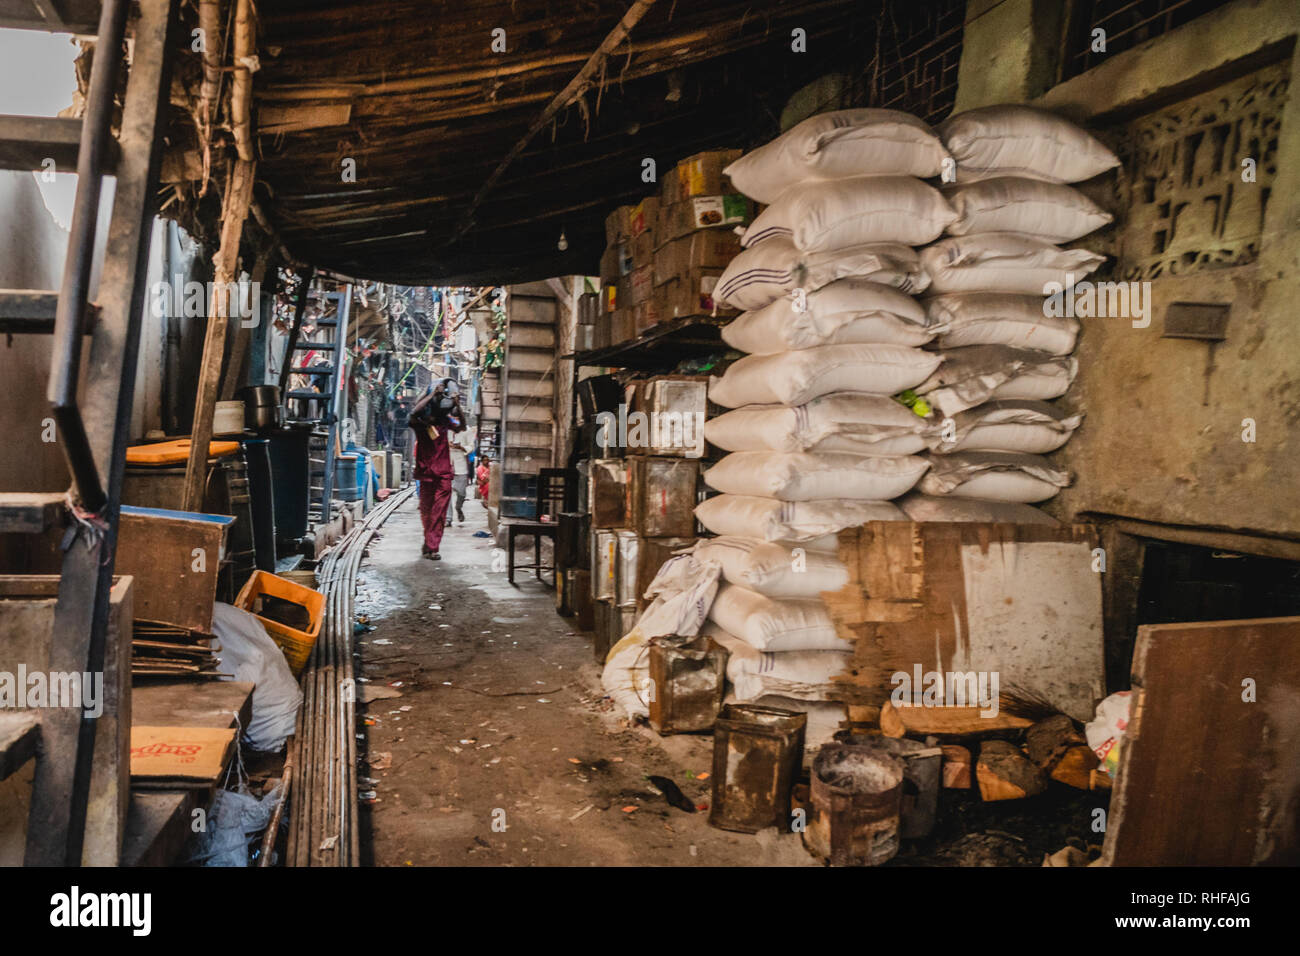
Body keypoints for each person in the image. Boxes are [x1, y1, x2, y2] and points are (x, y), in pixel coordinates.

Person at [408, 378, 465, 560]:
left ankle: (433, 547)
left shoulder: (444, 422)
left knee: (438, 511)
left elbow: (462, 426)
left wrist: (458, 405)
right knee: (426, 511)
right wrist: (432, 394)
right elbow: (414, 412)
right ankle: (429, 542)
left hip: (443, 473)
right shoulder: (419, 424)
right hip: (425, 473)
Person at [447, 437, 469, 526]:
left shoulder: (467, 431)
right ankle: (448, 519)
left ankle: (458, 508)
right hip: (446, 467)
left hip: (461, 468)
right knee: (446, 494)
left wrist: (461, 447)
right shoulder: (443, 431)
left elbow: (471, 447)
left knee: (462, 493)